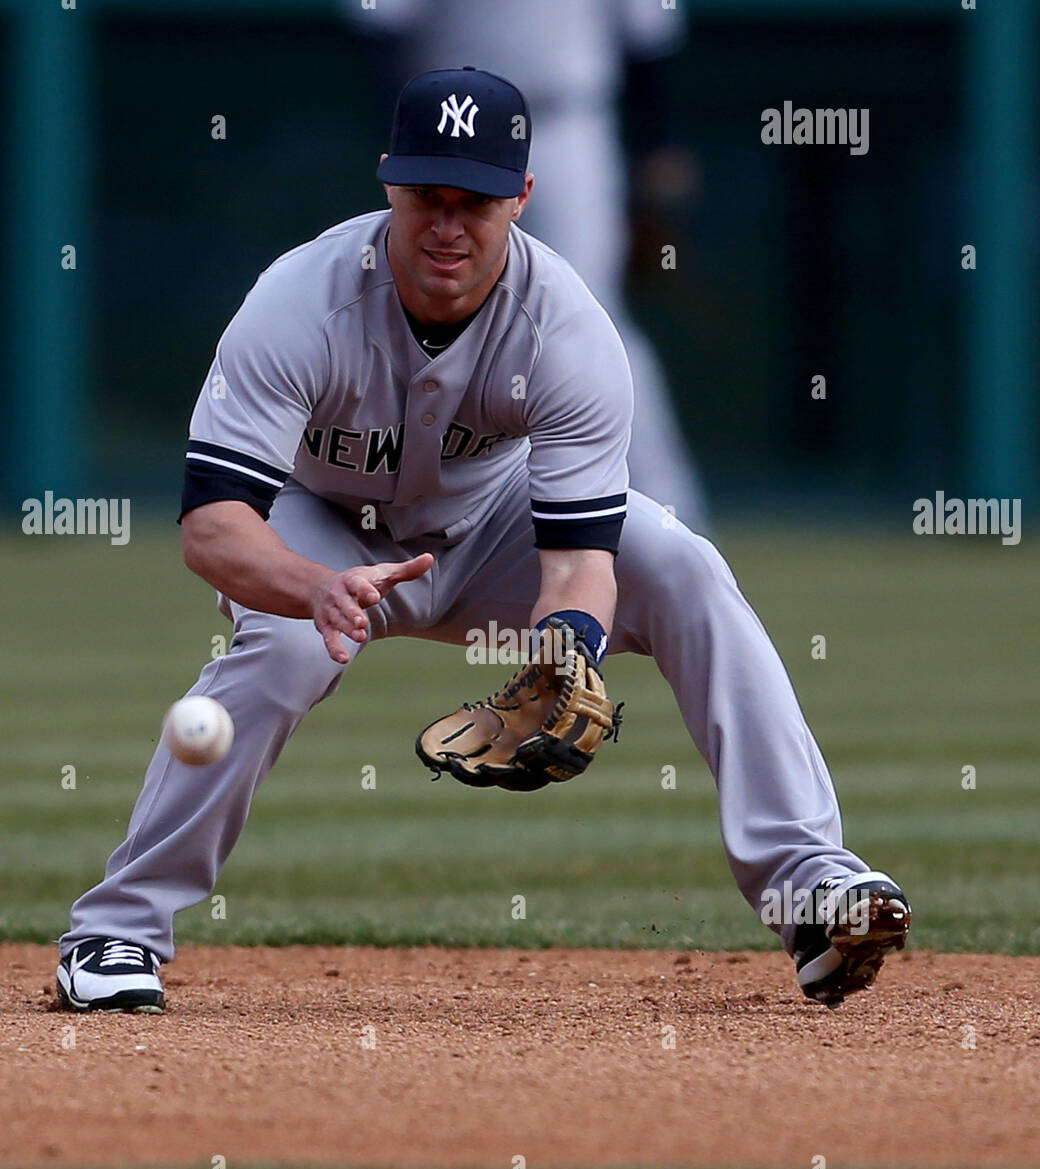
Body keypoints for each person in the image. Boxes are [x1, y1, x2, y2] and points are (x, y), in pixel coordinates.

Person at [57, 69, 909, 1017]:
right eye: (428, 196)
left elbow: (581, 557)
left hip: (492, 525)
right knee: (289, 643)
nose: (448, 225)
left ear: (523, 199)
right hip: (320, 524)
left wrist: (565, 653)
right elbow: (214, 529)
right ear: (388, 183)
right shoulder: (301, 301)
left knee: (682, 565)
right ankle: (115, 932)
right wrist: (312, 588)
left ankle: (811, 892)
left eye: (477, 200)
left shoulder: (569, 329)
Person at [343, 0, 710, 530]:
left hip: (567, 124)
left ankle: (668, 515)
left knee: (595, 322)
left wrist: (658, 147)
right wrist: (404, 149)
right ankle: (400, 508)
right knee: (425, 313)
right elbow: (379, 25)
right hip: (453, 137)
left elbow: (649, 33)